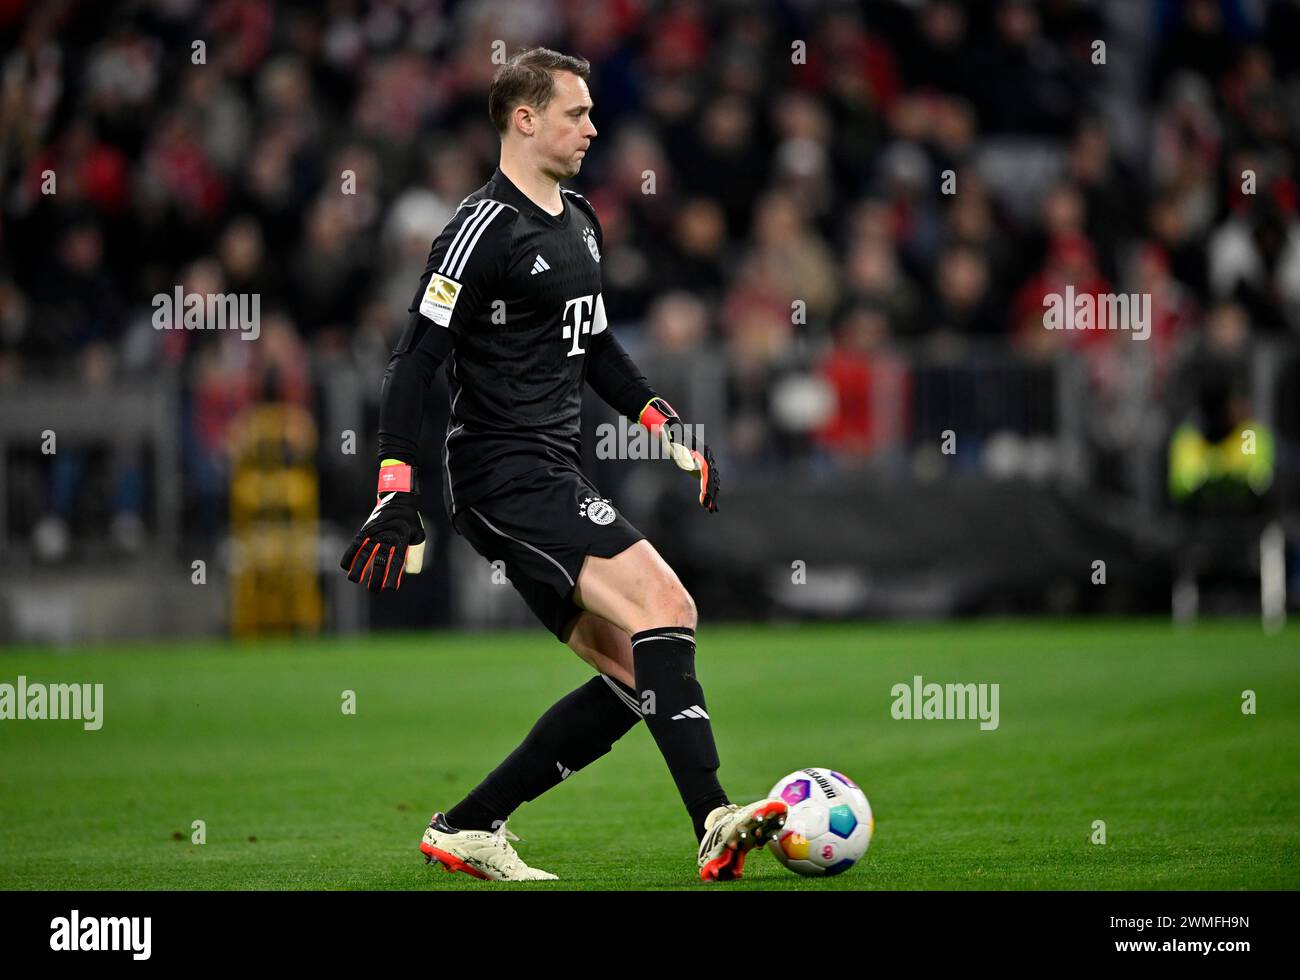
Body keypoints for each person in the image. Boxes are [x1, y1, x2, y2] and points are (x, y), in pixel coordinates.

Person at [340, 47, 785, 882]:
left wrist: (663, 422)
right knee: (668, 601)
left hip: (553, 469)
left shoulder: (579, 218)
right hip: (500, 473)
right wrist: (396, 489)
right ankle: (714, 818)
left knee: (631, 675)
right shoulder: (478, 230)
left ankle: (468, 825)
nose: (592, 126)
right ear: (525, 118)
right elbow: (412, 363)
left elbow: (596, 343)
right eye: (576, 112)